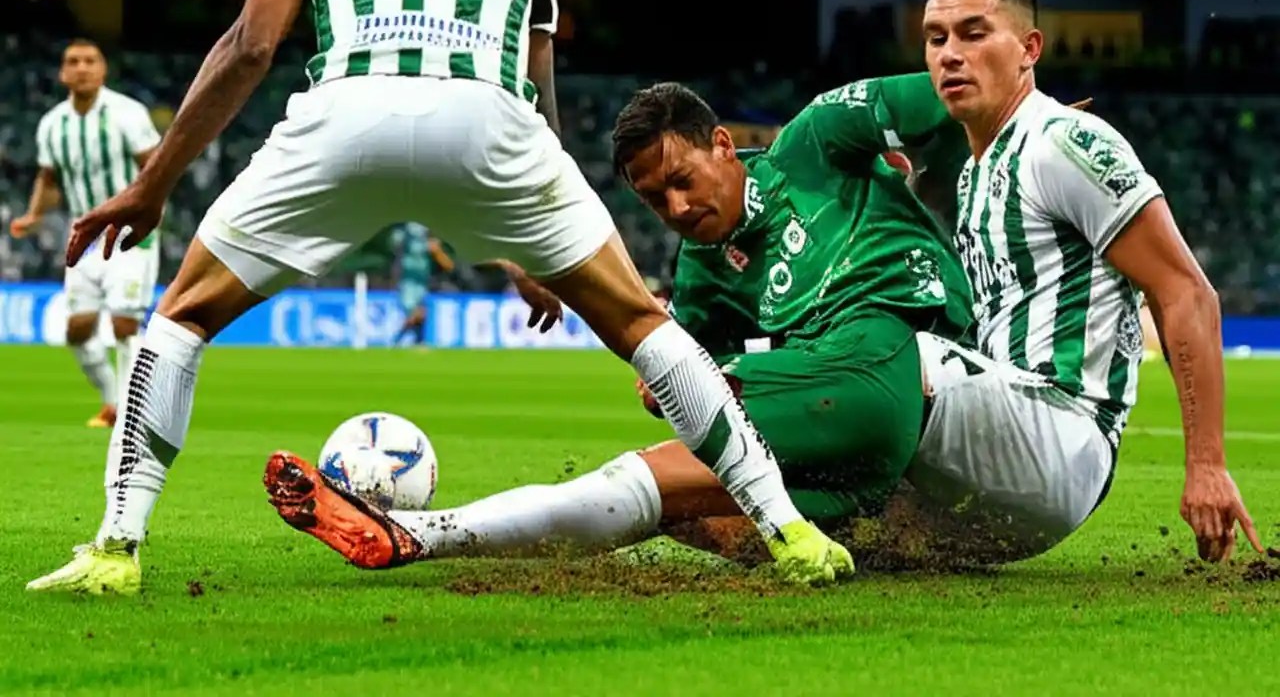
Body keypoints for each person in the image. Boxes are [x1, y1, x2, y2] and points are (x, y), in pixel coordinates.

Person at [28, 0, 849, 596]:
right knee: (640, 323)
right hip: (488, 117)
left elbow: (252, 43)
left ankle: (116, 547)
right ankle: (789, 530)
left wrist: (154, 186)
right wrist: (533, 236)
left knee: (180, 318)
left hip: (346, 112)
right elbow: (536, 74)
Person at [266, 76, 1100, 571]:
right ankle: (412, 538)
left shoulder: (818, 142)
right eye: (652, 199)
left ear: (724, 146)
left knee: (691, 439)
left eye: (680, 178)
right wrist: (672, 380)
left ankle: (421, 533)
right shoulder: (703, 275)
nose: (673, 206)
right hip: (869, 425)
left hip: (898, 358)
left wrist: (1034, 126)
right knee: (681, 498)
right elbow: (694, 393)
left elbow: (962, 100)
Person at [920, 0, 1261, 561]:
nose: (950, 54)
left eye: (974, 34)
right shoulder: (973, 174)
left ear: (1029, 49)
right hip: (1003, 439)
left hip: (1061, 430)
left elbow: (1186, 291)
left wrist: (1206, 466)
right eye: (936, 38)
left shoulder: (1063, 143)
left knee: (881, 352)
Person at [9, 39, 161, 428]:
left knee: (124, 323)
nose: (82, 68)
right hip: (85, 236)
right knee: (77, 329)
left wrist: (150, 210)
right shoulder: (52, 124)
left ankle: (131, 412)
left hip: (129, 233)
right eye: (73, 62)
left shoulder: (128, 113)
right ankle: (112, 401)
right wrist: (33, 215)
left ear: (103, 69)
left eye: (90, 61)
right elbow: (48, 178)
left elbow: (156, 167)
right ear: (63, 73)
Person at [390, 222, 454, 347]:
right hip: (407, 283)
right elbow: (395, 248)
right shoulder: (404, 235)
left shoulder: (429, 241)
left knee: (420, 314)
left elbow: (448, 265)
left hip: (422, 283)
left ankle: (414, 342)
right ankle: (399, 341)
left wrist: (436, 250)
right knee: (416, 314)